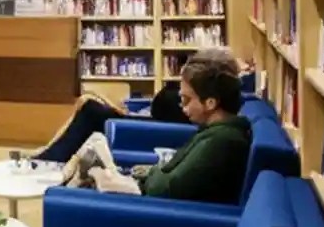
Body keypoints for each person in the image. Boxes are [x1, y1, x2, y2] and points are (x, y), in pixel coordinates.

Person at [66, 56, 253, 204]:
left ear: (210, 103)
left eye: (187, 100)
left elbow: (166, 186)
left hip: (153, 206)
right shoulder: (215, 133)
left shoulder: (221, 142)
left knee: (91, 171)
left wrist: (151, 173)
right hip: (151, 195)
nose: (182, 106)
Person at [31, 47, 244, 163]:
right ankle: (49, 152)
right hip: (146, 118)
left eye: (186, 99)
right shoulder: (201, 102)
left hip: (149, 125)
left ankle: (49, 157)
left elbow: (164, 115)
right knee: (88, 104)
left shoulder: (200, 115)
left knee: (88, 108)